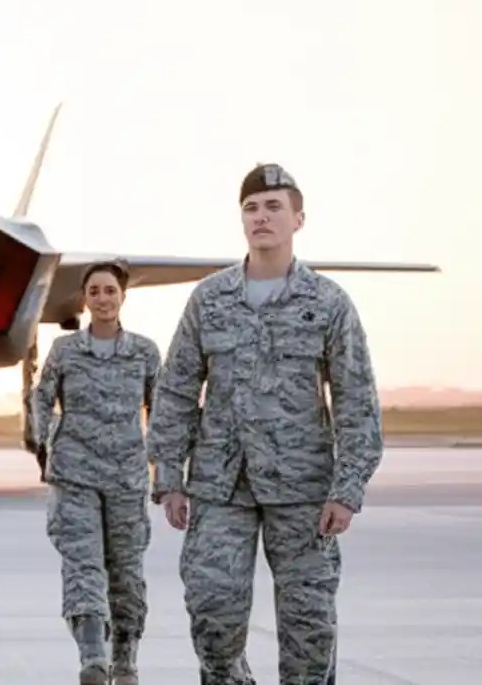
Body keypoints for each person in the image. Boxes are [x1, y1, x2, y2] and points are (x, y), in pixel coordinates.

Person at [146, 163, 384, 684]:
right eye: (251, 208)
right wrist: (168, 478)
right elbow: (177, 389)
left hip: (304, 492)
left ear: (298, 218)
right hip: (219, 487)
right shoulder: (210, 300)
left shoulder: (327, 304)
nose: (261, 217)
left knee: (308, 629)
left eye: (274, 206)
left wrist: (348, 488)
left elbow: (356, 400)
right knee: (212, 613)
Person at [32, 260, 160, 685]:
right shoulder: (65, 350)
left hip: (126, 476)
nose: (102, 299)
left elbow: (159, 410)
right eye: (94, 292)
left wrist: (164, 464)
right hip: (75, 475)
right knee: (82, 565)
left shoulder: (144, 351)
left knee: (125, 571)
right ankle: (91, 656)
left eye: (109, 291)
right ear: (84, 299)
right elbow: (41, 397)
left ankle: (125, 659)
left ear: (122, 296)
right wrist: (45, 440)